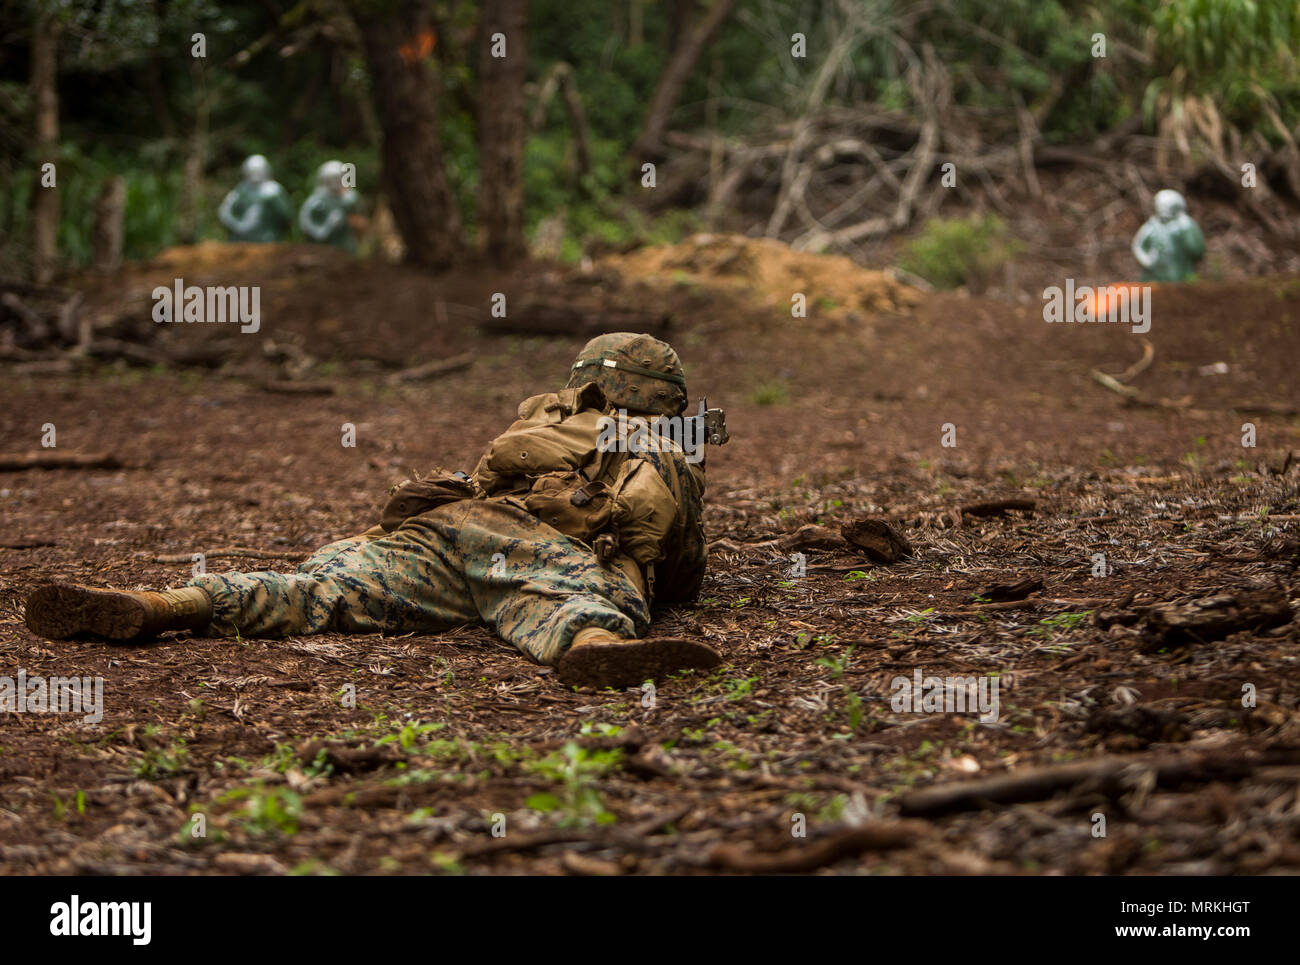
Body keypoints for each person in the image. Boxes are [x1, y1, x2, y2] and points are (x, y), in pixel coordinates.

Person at [24, 333, 722, 690]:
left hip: (447, 534)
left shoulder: (540, 428)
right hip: (544, 556)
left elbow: (480, 479)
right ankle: (599, 654)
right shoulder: (657, 447)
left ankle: (167, 602)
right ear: (665, 400)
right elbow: (666, 555)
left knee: (320, 594)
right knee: (582, 608)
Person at [1131, 189, 1205, 282]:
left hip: (1180, 277)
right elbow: (1138, 244)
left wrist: (1186, 227)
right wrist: (1146, 261)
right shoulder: (1152, 225)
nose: (1163, 210)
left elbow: (1197, 250)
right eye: (1160, 206)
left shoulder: (1184, 225)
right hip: (1154, 278)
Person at [217, 154, 292, 242]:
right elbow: (225, 212)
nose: (255, 175)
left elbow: (285, 216)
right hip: (240, 241)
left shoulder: (273, 191)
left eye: (258, 171)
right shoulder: (240, 190)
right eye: (252, 171)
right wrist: (238, 226)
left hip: (268, 240)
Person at [299, 160, 362, 252]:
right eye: (333, 178)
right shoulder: (317, 200)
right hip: (322, 249)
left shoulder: (349, 198)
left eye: (339, 178)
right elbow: (305, 221)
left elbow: (360, 219)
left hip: (346, 248)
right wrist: (326, 228)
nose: (336, 182)